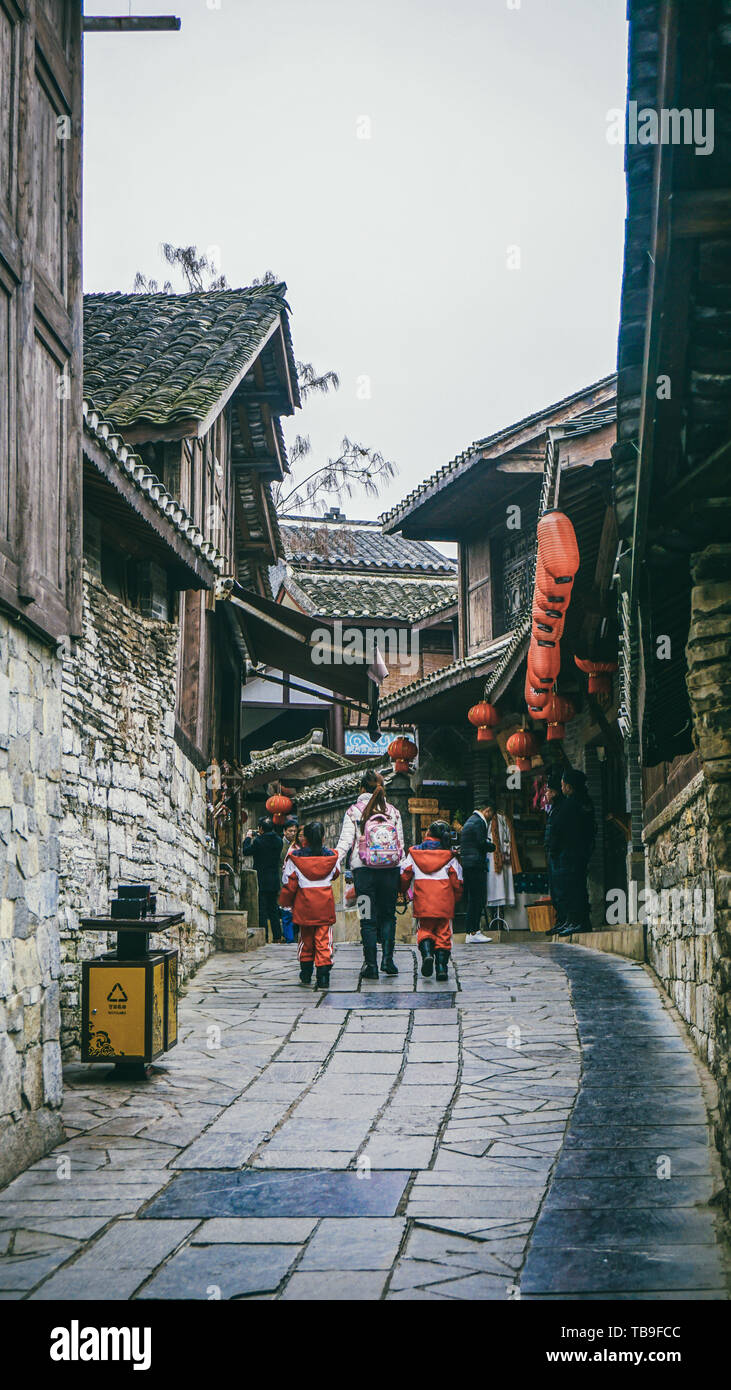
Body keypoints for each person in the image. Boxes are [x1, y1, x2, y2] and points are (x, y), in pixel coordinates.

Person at [336, 769, 405, 979]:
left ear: (361, 789)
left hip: (363, 873)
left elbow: (345, 843)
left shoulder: (354, 811)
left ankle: (371, 965)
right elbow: (400, 845)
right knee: (388, 915)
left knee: (367, 917)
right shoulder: (393, 811)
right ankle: (388, 960)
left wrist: (332, 864)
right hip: (390, 872)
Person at [279, 820, 339, 989]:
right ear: (323, 837)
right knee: (324, 940)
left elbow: (288, 883)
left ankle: (306, 973)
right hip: (324, 905)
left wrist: (285, 902)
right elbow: (335, 874)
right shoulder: (331, 857)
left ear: (304, 838)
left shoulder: (295, 858)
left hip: (304, 905)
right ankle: (323, 976)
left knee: (306, 939)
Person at [400, 821, 463, 981]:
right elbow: (457, 882)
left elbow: (405, 875)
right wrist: (455, 900)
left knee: (425, 930)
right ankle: (441, 968)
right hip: (444, 901)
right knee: (443, 934)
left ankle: (427, 954)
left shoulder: (414, 854)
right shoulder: (450, 856)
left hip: (423, 901)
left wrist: (402, 890)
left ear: (428, 833)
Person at [548, 768, 596, 937]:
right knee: (575, 887)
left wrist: (555, 849)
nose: (561, 787)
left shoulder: (572, 804)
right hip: (579, 852)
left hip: (570, 853)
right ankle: (573, 920)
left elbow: (560, 830)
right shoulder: (583, 802)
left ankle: (577, 921)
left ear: (569, 786)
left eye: (563, 784)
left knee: (572, 888)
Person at [242, 816, 284, 943]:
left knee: (262, 910)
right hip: (274, 879)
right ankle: (277, 936)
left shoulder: (259, 841)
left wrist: (248, 838)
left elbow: (246, 851)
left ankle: (264, 937)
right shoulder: (279, 841)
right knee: (273, 909)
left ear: (260, 828)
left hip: (261, 879)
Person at [458, 803, 495, 943]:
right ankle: (473, 931)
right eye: (491, 815)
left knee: (473, 898)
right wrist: (492, 846)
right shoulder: (479, 822)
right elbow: (481, 843)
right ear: (487, 810)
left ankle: (471, 932)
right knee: (478, 898)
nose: (491, 818)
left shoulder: (470, 820)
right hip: (475, 865)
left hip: (468, 865)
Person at [542, 771, 566, 933]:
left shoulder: (562, 807)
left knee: (562, 889)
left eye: (549, 791)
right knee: (556, 889)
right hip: (554, 854)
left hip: (561, 855)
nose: (546, 794)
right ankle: (561, 920)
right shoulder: (555, 808)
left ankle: (565, 920)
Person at [486, 804, 516, 911]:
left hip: (499, 853)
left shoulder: (500, 820)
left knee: (500, 878)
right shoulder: (503, 819)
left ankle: (498, 902)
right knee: (501, 878)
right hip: (503, 852)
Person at [279, 818, 299, 943]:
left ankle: (293, 937)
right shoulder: (280, 844)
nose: (292, 833)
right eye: (290, 831)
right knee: (286, 912)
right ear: (284, 831)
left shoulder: (298, 846)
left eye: (295, 831)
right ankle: (289, 939)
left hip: (296, 882)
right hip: (284, 881)